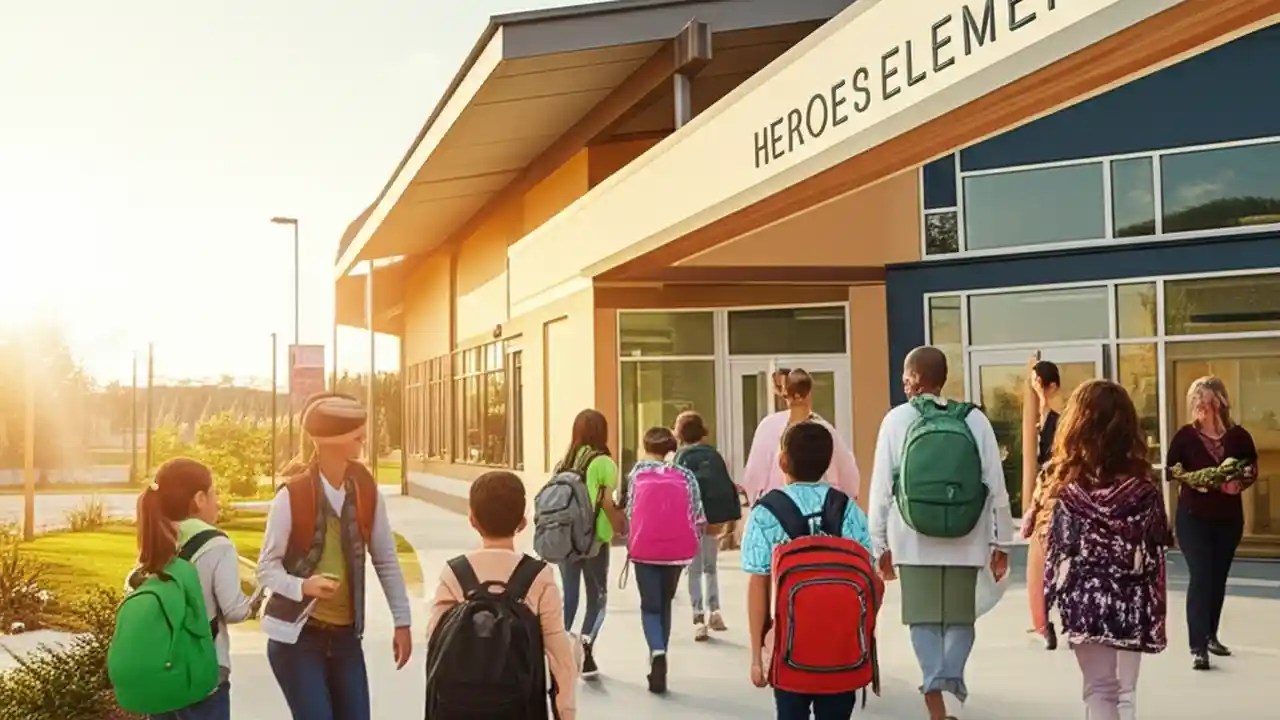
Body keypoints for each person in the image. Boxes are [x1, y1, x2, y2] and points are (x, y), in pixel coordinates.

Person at [868, 346, 1014, 720]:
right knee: (960, 620)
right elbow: (996, 485)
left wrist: (877, 544)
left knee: (924, 620)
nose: (902, 380)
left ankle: (935, 691)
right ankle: (950, 681)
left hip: (913, 540)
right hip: (967, 538)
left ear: (915, 378)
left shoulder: (897, 419)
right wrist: (1001, 541)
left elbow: (881, 488)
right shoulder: (975, 420)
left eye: (906, 373)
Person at [258, 393, 412, 720]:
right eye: (357, 435)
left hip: (345, 639)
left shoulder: (366, 490)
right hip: (297, 638)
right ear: (334, 440)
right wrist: (304, 586)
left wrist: (403, 622)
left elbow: (385, 558)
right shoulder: (292, 495)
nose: (364, 439)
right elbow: (266, 570)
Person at [1043, 380, 1169, 720]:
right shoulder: (1143, 489)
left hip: (1085, 601)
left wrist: (1045, 606)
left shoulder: (1068, 493)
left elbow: (1059, 550)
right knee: (1124, 693)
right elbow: (1160, 539)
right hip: (1130, 600)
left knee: (1099, 690)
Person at [743, 421, 874, 720]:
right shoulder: (848, 509)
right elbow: (869, 577)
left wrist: (757, 656)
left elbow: (758, 585)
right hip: (843, 650)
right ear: (829, 462)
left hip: (789, 651)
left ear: (782, 461)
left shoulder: (766, 512)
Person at [426, 471, 577, 720]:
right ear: (523, 522)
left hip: (458, 708)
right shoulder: (538, 577)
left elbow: (436, 643)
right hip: (519, 707)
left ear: (472, 519)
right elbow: (559, 656)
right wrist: (566, 712)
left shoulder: (454, 573)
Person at [124, 458, 260, 719]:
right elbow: (234, 611)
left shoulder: (158, 536)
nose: (217, 501)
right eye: (214, 493)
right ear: (199, 498)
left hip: (160, 673)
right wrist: (259, 595)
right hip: (203, 675)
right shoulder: (216, 544)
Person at [1167, 376, 1258, 671]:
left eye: (1209, 399)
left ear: (1222, 401)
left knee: (1217, 577)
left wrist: (1238, 483)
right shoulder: (1185, 437)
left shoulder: (1238, 436)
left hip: (1228, 519)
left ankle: (1210, 635)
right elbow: (1171, 470)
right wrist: (1193, 480)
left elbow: (1250, 467)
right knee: (1202, 575)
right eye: (1197, 399)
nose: (1203, 405)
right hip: (1193, 517)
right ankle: (1197, 647)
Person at [626, 426, 704, 694]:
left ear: (645, 448)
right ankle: (662, 652)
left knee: (650, 607)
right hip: (676, 553)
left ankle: (657, 652)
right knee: (665, 603)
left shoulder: (636, 474)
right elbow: (698, 513)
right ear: (672, 449)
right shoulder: (685, 475)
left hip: (644, 550)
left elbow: (629, 512)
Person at [553, 409, 624, 680]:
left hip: (565, 540)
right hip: (594, 541)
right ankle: (586, 649)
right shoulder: (604, 462)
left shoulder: (564, 462)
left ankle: (559, 651)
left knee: (569, 594)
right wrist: (620, 523)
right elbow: (606, 504)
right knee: (597, 596)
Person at [742, 369, 861, 503]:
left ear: (785, 395)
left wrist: (758, 503)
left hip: (779, 508)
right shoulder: (826, 430)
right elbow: (850, 479)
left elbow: (753, 478)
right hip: (822, 508)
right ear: (809, 393)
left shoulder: (768, 427)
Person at [673, 411, 740, 642]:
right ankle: (715, 611)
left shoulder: (681, 457)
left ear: (680, 433)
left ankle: (698, 616)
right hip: (713, 515)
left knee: (694, 568)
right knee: (710, 567)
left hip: (691, 518)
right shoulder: (714, 455)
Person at [1020, 358, 1062, 650]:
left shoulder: (1059, 422)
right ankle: (1043, 624)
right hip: (1041, 499)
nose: (1035, 390)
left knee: (1053, 564)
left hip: (1054, 499)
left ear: (1052, 386)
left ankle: (1053, 621)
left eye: (1039, 384)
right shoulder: (1039, 422)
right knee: (1040, 565)